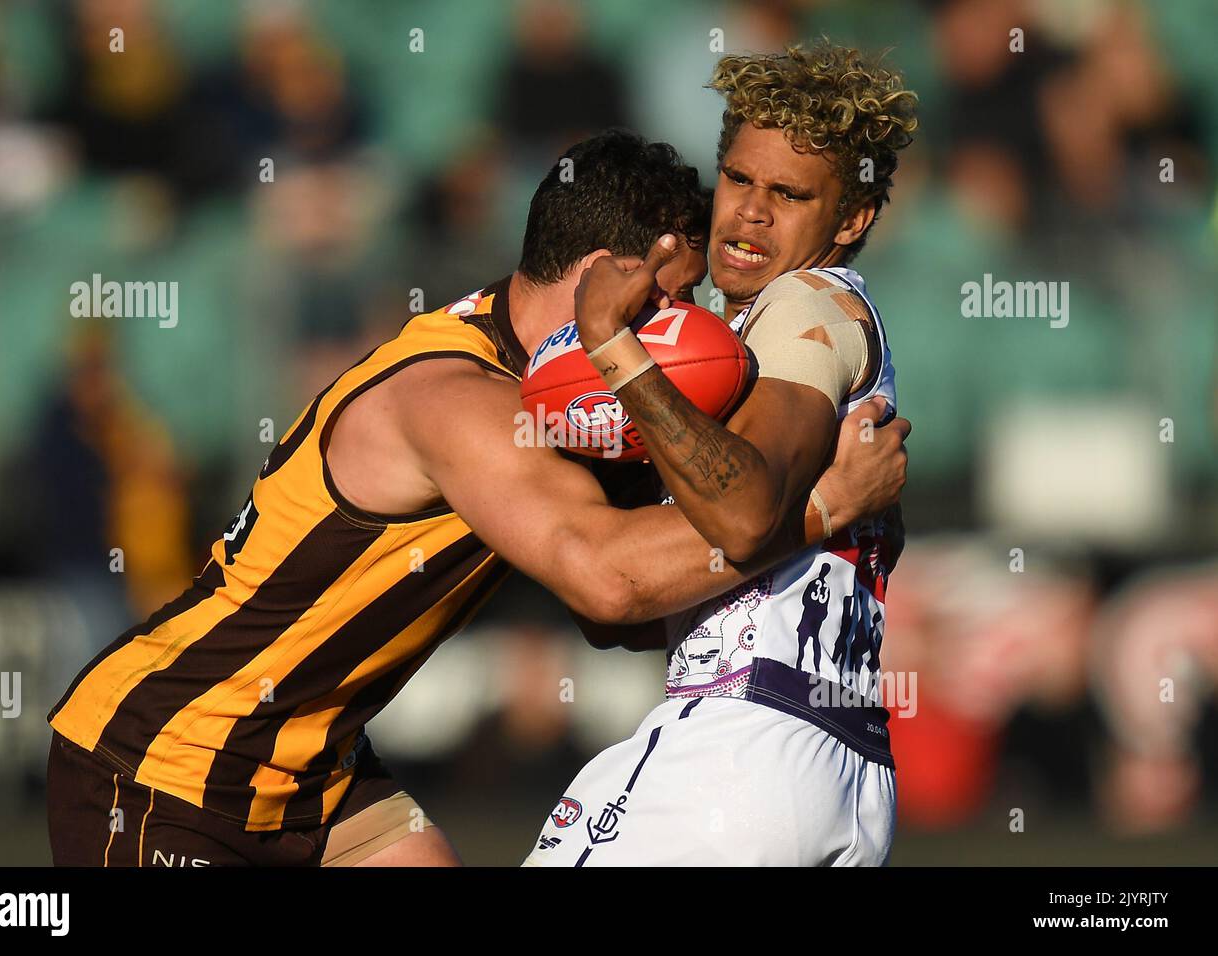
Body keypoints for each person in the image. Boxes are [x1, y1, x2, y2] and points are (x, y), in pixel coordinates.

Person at [46, 129, 908, 867]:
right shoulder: (461, 399)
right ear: (607, 279)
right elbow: (613, 584)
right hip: (166, 757)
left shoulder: (551, 394)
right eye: (670, 298)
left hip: (313, 764)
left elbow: (625, 625)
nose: (685, 325)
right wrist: (820, 511)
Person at [525, 40, 919, 866]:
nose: (750, 213)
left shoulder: (807, 301)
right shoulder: (726, 333)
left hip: (741, 739)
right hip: (841, 765)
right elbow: (619, 617)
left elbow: (742, 516)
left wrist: (608, 347)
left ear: (851, 219)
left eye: (789, 194)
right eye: (739, 179)